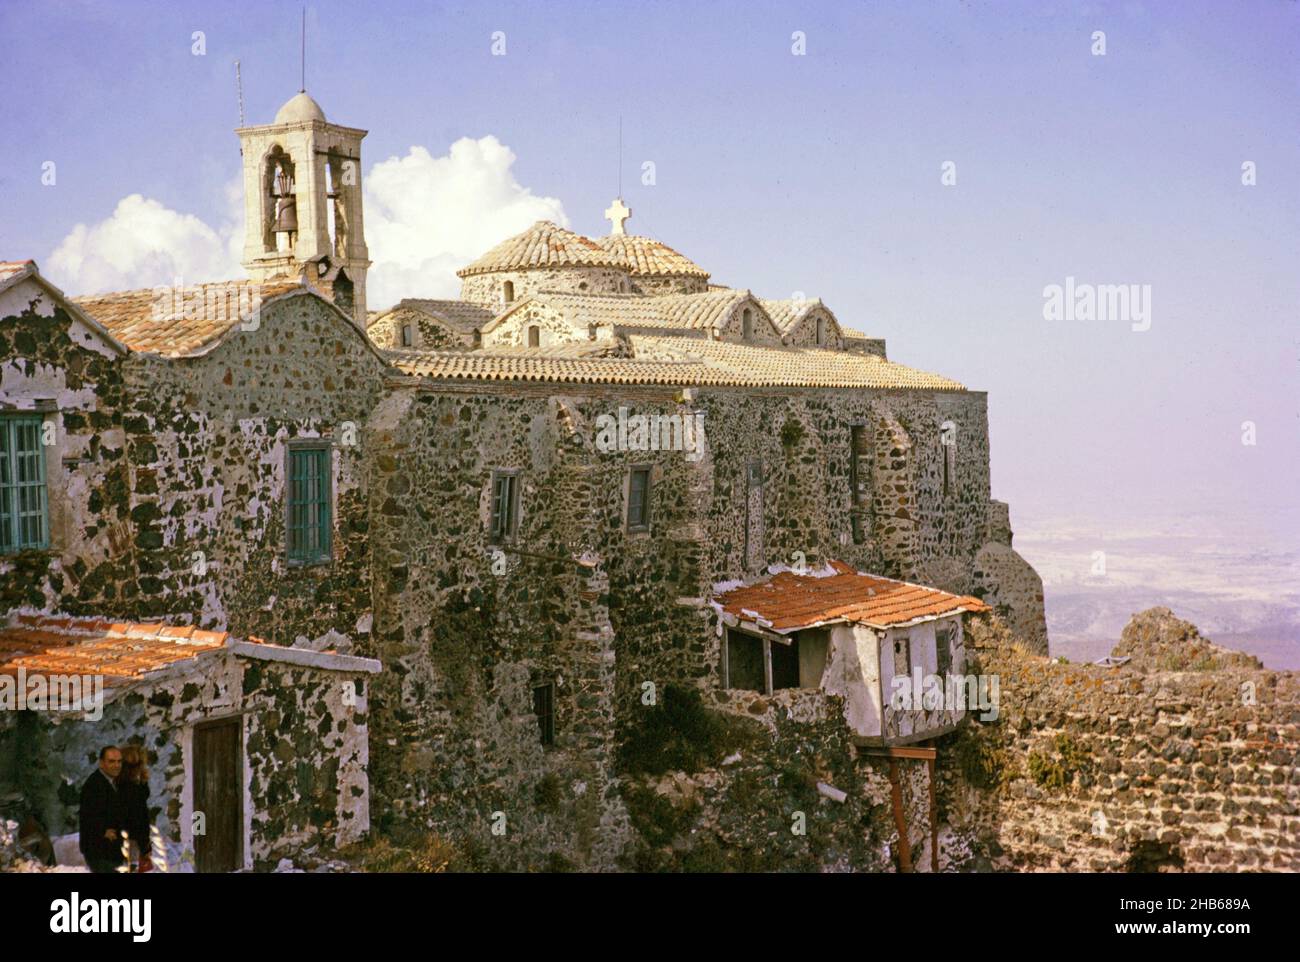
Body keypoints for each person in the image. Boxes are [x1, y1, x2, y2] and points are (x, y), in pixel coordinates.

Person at [78, 745, 129, 873]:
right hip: (100, 849)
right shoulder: (94, 785)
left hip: (112, 848)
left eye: (119, 761)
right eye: (111, 761)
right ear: (101, 763)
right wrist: (103, 831)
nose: (117, 765)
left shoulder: (112, 782)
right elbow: (87, 814)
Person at [119, 744, 153, 872]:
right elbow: (139, 820)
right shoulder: (132, 791)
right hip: (130, 842)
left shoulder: (115, 786)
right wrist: (146, 847)